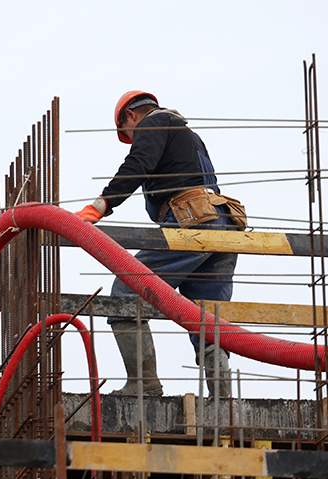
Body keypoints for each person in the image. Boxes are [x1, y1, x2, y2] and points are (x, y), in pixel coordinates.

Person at [76, 90, 246, 397]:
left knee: (127, 290)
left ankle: (144, 385)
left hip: (193, 221)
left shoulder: (154, 123)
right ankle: (223, 400)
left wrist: (99, 207)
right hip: (222, 224)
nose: (133, 137)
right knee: (205, 316)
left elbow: (138, 165)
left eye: (128, 133)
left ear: (130, 116)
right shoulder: (186, 134)